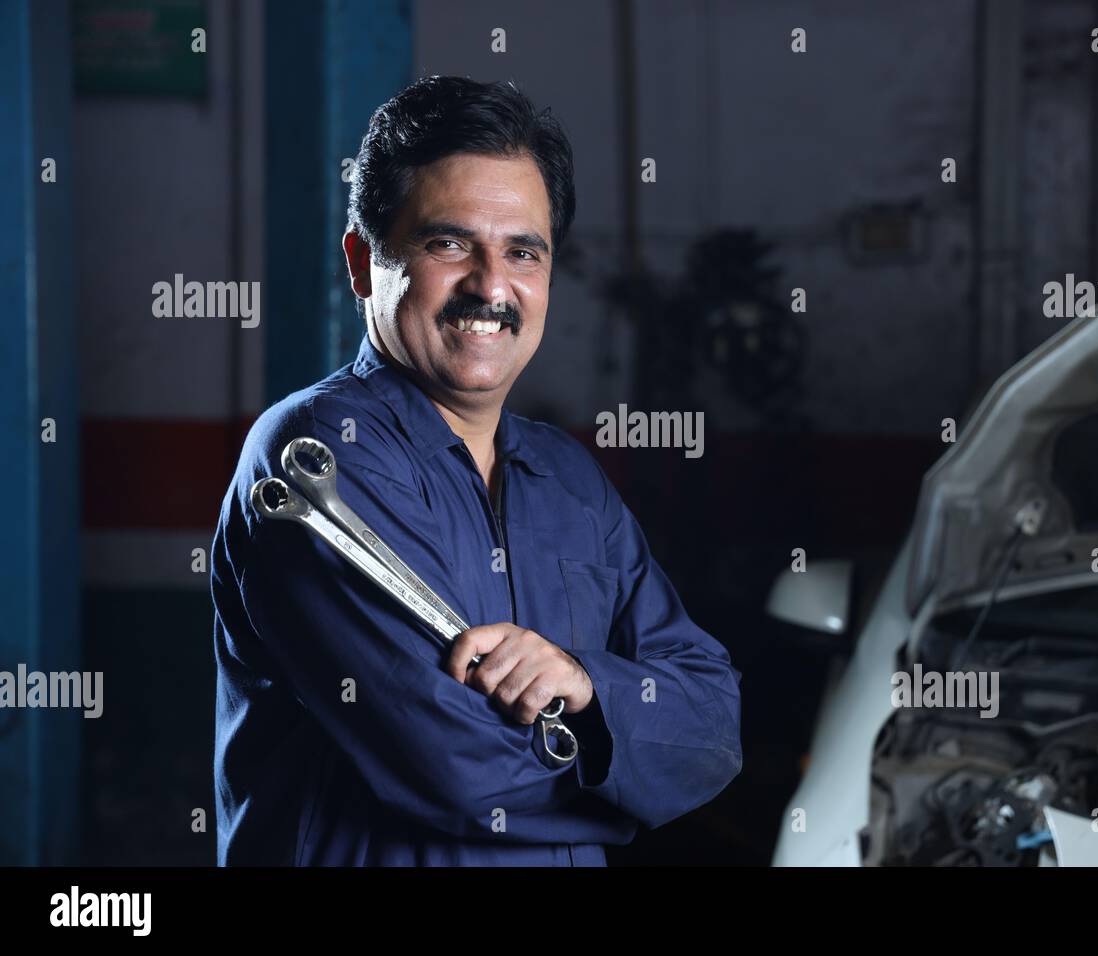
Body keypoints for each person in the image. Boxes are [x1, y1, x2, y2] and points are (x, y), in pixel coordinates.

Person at [211, 75, 743, 866]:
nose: (492, 287)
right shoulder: (321, 453)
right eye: (449, 243)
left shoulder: (568, 480)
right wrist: (628, 775)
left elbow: (713, 724)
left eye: (523, 250)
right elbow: (454, 770)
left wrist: (584, 683)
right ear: (363, 262)